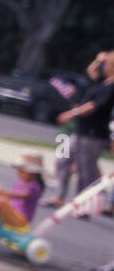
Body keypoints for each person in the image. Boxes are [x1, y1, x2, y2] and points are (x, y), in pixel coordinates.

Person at [56, 51, 114, 195]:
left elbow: (94, 105)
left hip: (93, 134)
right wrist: (98, 60)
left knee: (86, 170)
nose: (102, 66)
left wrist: (72, 113)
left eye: (105, 64)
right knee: (63, 158)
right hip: (82, 130)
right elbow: (91, 71)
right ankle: (59, 195)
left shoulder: (111, 87)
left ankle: (83, 203)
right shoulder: (103, 81)